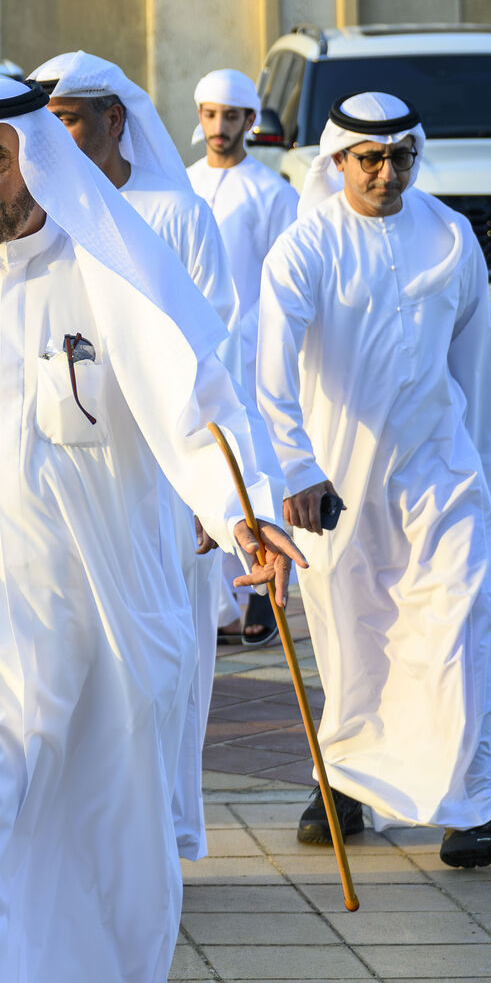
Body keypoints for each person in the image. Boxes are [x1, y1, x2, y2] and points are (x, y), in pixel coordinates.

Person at [0, 73, 302, 983]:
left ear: (38, 159)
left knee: (112, 856)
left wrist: (242, 512)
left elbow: (196, 404)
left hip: (103, 621)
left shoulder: (108, 267)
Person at [259, 91, 491, 864]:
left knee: (465, 624)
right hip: (340, 484)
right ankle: (344, 780)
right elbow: (267, 376)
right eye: (372, 159)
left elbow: (475, 366)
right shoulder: (305, 249)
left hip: (439, 471)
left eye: (402, 157)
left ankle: (479, 809)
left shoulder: (450, 234)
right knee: (356, 637)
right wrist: (296, 467)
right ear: (339, 161)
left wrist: (486, 473)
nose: (389, 173)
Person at [32, 49, 271, 861]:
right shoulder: (40, 218)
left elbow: (216, 357)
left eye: (68, 120)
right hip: (67, 482)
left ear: (113, 120)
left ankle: (161, 840)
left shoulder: (173, 214)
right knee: (76, 664)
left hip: (165, 481)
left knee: (166, 667)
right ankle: (86, 843)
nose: (55, 139)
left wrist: (221, 495)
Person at [187, 67, 299, 645]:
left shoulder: (274, 192)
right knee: (204, 464)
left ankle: (262, 596)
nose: (220, 126)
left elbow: (284, 282)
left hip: (252, 353)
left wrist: (254, 338)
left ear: (250, 121)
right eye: (210, 114)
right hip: (196, 354)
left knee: (255, 462)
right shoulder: (181, 185)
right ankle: (220, 606)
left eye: (232, 116)